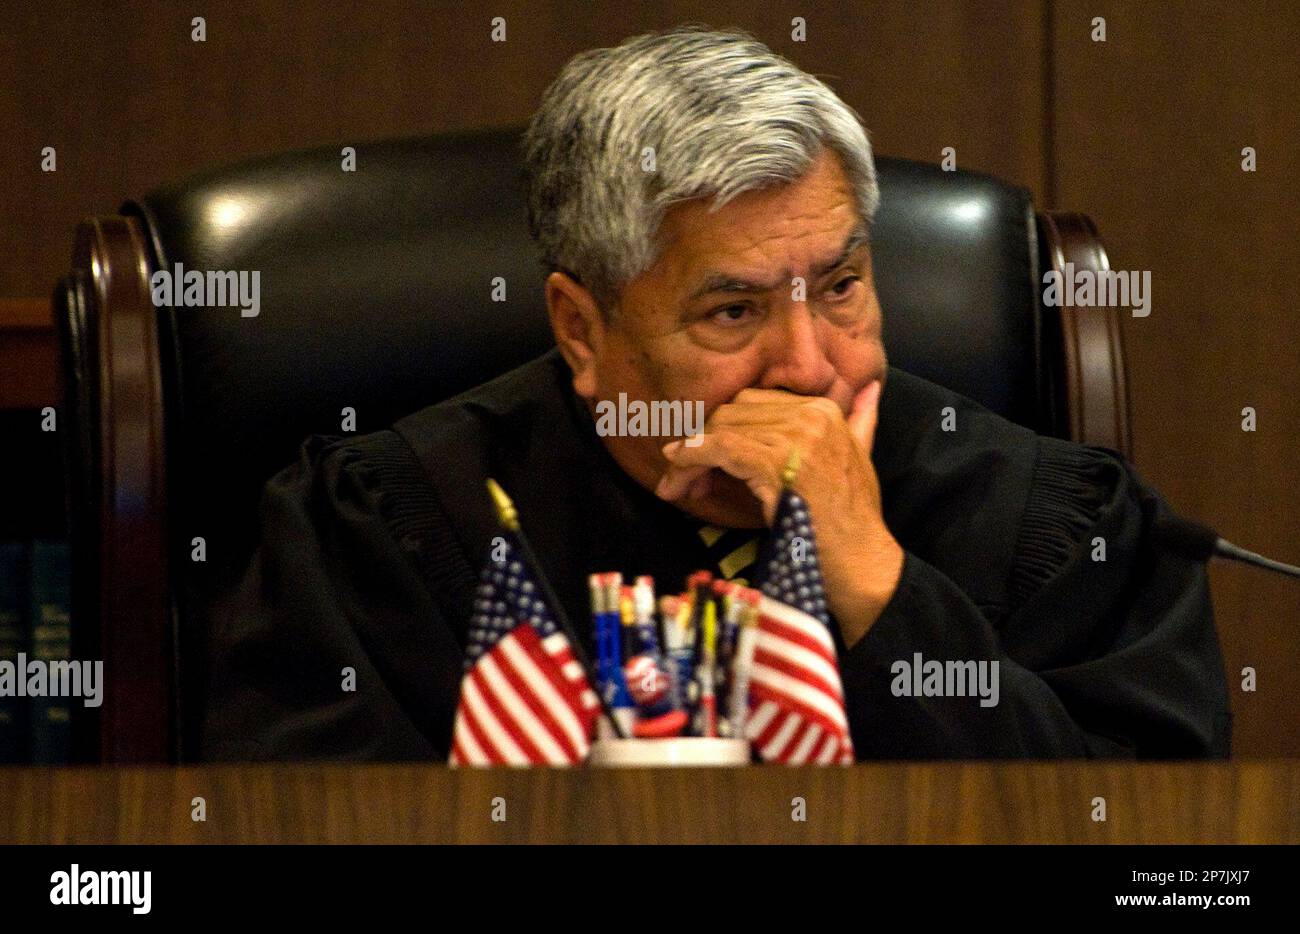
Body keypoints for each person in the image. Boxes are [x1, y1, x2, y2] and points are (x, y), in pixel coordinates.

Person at [201, 26, 1231, 761]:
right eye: (731, 313)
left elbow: (1154, 871)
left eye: (840, 287)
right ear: (581, 328)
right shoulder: (389, 530)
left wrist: (879, 587)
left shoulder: (1051, 520)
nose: (809, 366)